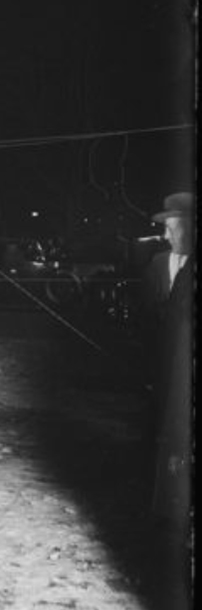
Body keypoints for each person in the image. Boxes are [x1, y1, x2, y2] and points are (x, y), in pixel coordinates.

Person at [140, 191, 193, 532]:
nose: (165, 235)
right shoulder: (160, 264)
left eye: (172, 228)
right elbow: (147, 318)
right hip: (165, 370)